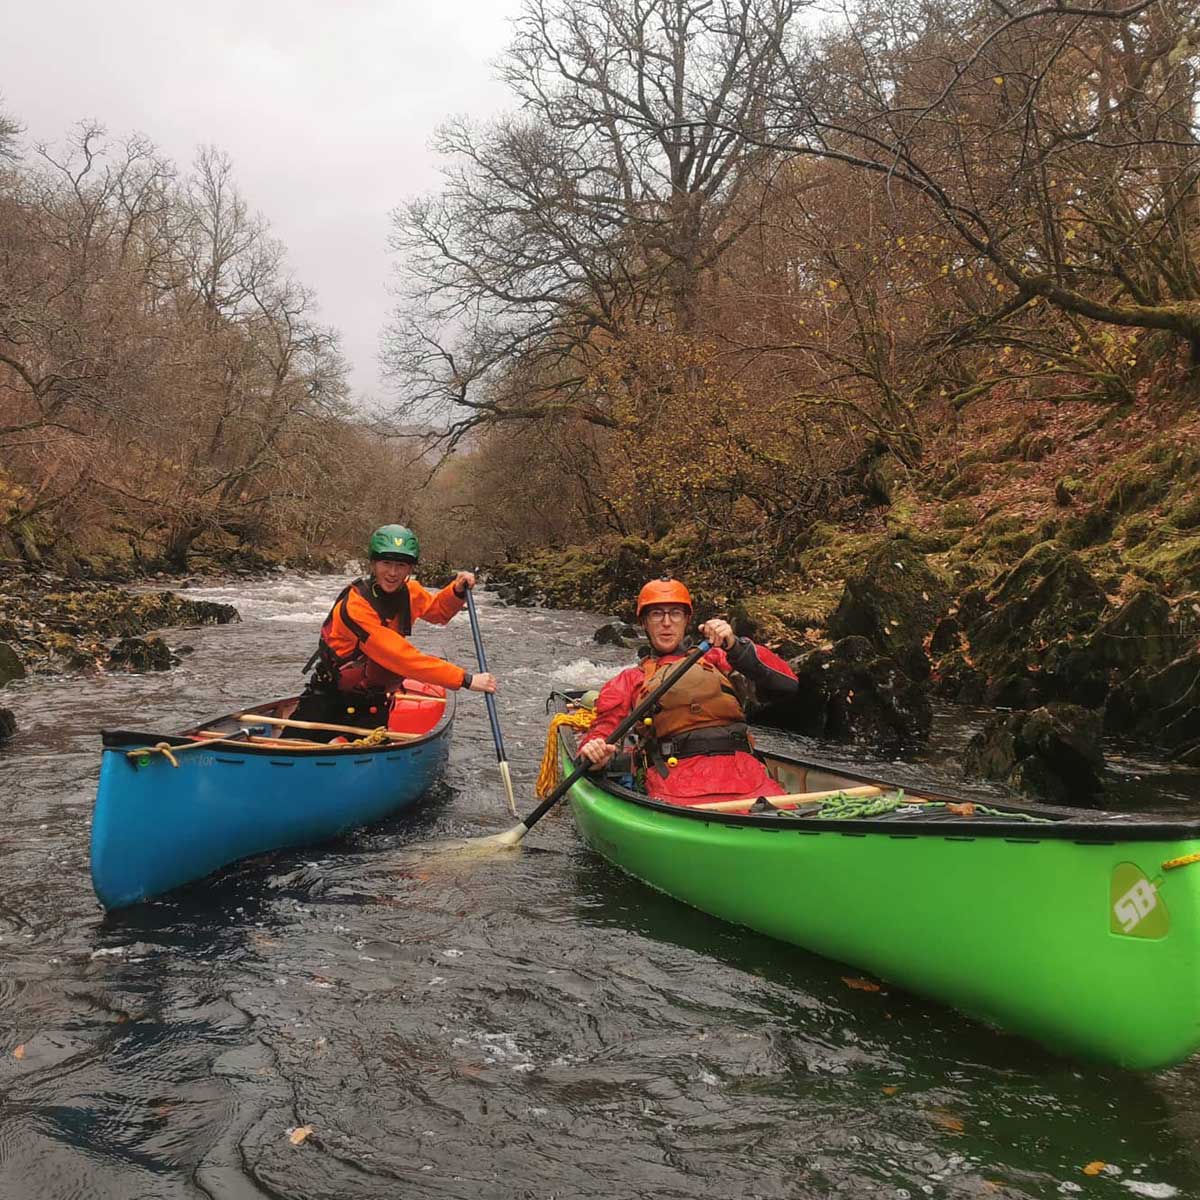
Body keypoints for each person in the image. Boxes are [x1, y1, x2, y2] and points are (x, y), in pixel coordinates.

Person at [577, 577, 798, 806]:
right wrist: (593, 753)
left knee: (787, 811)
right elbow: (602, 731)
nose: (666, 623)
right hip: (674, 784)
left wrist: (735, 644)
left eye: (675, 613)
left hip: (747, 776)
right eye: (656, 614)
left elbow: (787, 684)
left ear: (686, 620)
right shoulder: (630, 679)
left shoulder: (720, 656)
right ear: (644, 622)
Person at [290, 524, 497, 738]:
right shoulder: (356, 606)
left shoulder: (411, 592)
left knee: (368, 747)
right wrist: (465, 679)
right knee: (290, 745)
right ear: (373, 564)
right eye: (386, 563)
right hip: (329, 697)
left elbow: (438, 612)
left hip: (373, 701)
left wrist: (456, 591)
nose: (392, 572)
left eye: (401, 565)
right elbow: (399, 657)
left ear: (410, 569)